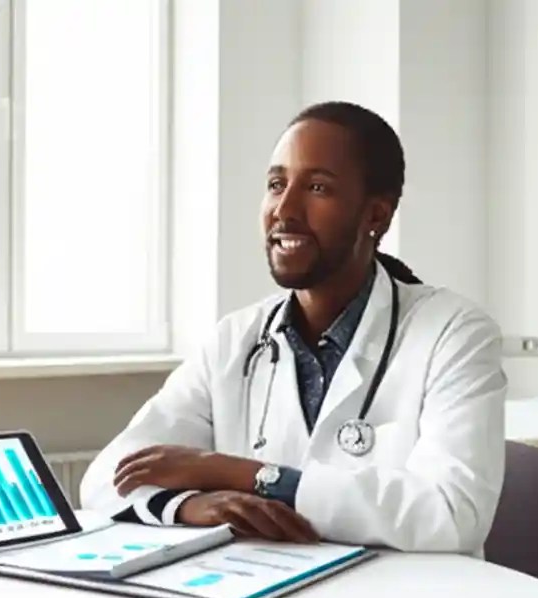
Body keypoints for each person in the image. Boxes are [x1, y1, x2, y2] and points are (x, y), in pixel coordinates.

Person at [80, 101, 507, 554]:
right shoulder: (234, 340)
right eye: (276, 184)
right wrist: (189, 505)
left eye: (318, 187)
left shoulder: (454, 333)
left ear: (376, 216)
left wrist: (247, 476)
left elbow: (451, 515)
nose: (285, 210)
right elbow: (107, 478)